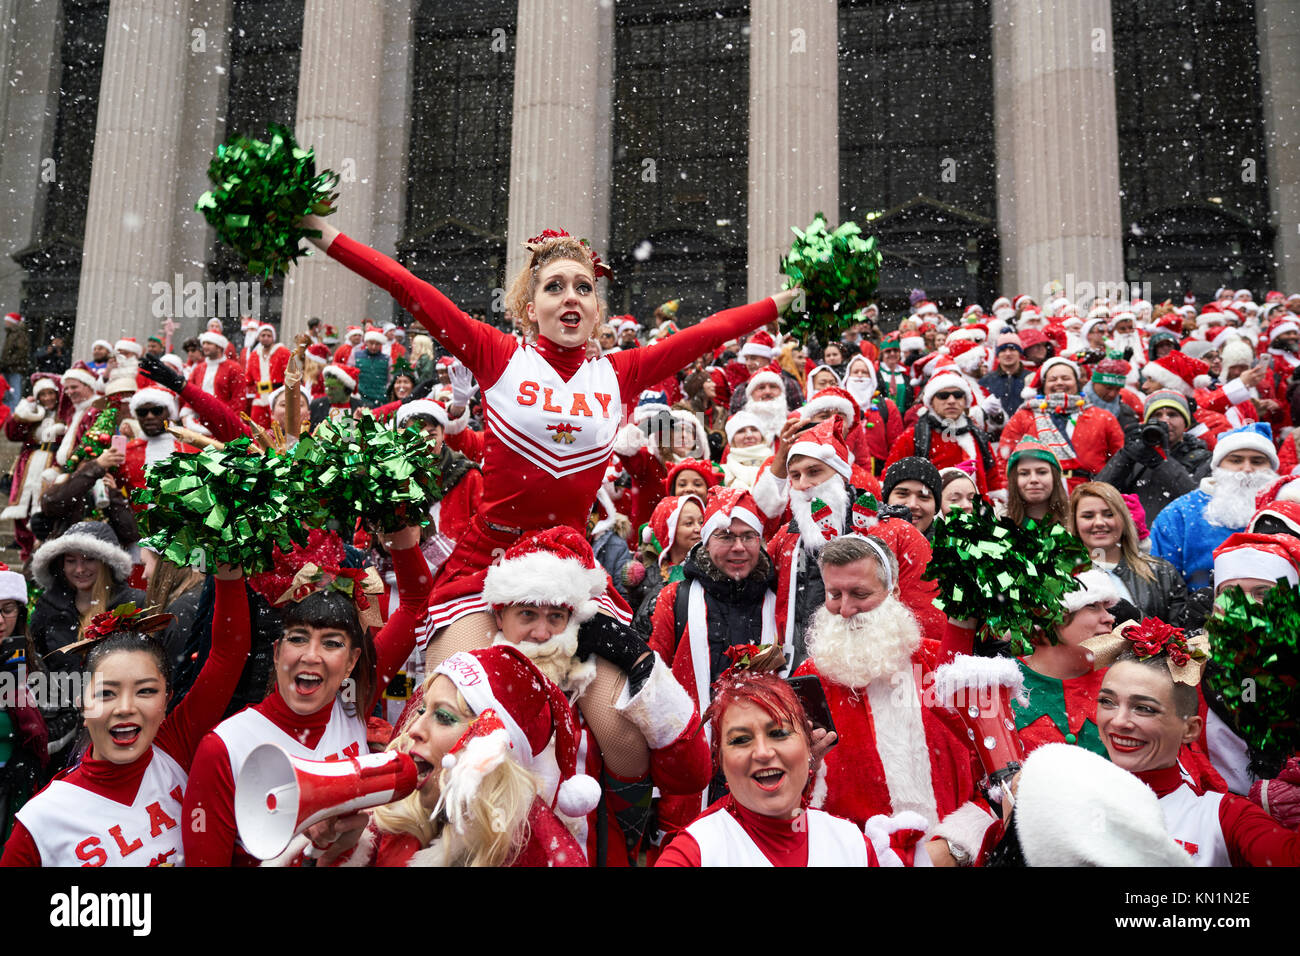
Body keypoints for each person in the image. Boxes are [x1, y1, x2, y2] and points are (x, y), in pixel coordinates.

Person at [296, 213, 794, 777]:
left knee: (627, 750)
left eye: (583, 287)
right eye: (554, 287)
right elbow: (410, 289)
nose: (571, 298)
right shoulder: (497, 354)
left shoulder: (620, 372)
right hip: (487, 563)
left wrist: (784, 300)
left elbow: (709, 332)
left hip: (570, 567)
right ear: (530, 307)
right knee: (453, 721)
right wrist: (329, 237)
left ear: (598, 309)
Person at [182, 521, 431, 866]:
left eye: (331, 643)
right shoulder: (224, 746)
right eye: (298, 638)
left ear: (351, 662)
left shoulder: (352, 702)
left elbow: (415, 603)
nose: (310, 655)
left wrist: (399, 526)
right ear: (276, 651)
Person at [480, 527, 710, 865]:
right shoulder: (473, 685)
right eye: (527, 614)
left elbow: (691, 774)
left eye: (556, 617)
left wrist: (639, 660)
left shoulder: (595, 695)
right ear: (500, 615)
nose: (542, 634)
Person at [1, 593, 249, 866]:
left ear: (166, 701)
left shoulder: (174, 748)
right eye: (107, 693)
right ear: (83, 705)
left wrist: (228, 576)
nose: (125, 707)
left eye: (145, 691)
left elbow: (228, 655)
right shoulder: (41, 821)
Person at [792, 535, 998, 864]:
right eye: (834, 595)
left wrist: (955, 846)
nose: (845, 610)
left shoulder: (942, 665)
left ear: (895, 593)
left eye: (860, 594)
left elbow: (997, 773)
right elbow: (788, 795)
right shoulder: (810, 679)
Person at [294, 646, 587, 867]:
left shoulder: (545, 855)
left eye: (444, 717)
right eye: (422, 711)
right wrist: (334, 854)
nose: (415, 730)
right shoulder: (387, 825)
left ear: (492, 747)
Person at [655, 669, 935, 867]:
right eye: (741, 740)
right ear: (721, 761)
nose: (763, 753)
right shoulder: (695, 853)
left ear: (808, 747)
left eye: (779, 734)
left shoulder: (852, 844)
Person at [1093, 627, 1300, 866]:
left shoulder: (1222, 817)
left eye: (1144, 708)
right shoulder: (1067, 792)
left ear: (1190, 729)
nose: (1118, 721)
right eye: (1107, 701)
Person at [1150, 422, 1279, 589]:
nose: (1247, 469)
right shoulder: (1178, 514)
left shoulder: (1287, 512)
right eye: (1236, 460)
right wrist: (1189, 609)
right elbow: (1163, 584)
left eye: (1257, 461)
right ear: (1218, 466)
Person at [1068, 482, 1187, 624]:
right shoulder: (1058, 575)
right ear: (1075, 523)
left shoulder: (1163, 572)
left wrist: (1138, 619)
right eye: (1088, 516)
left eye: (1109, 514)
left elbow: (1181, 641)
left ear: (1124, 520)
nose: (1099, 522)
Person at [998, 355, 1124, 487]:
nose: (1059, 383)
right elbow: (1005, 458)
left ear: (1077, 383)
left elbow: (1118, 462)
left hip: (1090, 492)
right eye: (1053, 379)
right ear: (1043, 384)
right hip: (1039, 492)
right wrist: (1007, 492)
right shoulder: (1024, 417)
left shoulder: (1104, 418)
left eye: (1066, 378)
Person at [28, 522, 144, 661]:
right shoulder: (47, 606)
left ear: (106, 563)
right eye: (71, 561)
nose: (80, 569)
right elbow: (35, 662)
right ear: (61, 565)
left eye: (89, 559)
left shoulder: (132, 604)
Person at [1095, 389, 1206, 523]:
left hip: (1178, 536)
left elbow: (1197, 499)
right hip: (1134, 538)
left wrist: (1161, 462)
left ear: (1186, 423)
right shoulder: (1137, 455)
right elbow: (1098, 493)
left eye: (1172, 414)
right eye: (1157, 415)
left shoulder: (1203, 458)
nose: (1165, 420)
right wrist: (1125, 455)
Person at [886, 369, 1001, 495]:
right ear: (931, 402)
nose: (951, 400)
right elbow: (890, 481)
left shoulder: (977, 436)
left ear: (965, 401)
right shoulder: (912, 437)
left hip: (977, 511)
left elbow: (994, 480)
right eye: (943, 396)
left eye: (957, 395)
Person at [1, 377, 65, 559]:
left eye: (50, 393)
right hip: (30, 463)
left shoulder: (65, 414)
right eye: (43, 394)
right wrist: (24, 411)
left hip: (52, 462)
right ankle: (25, 545)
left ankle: (43, 543)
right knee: (24, 505)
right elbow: (13, 433)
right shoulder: (34, 414)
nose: (47, 398)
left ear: (57, 394)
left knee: (44, 502)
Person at [633, 493, 703, 635]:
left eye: (701, 522)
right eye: (689, 523)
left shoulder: (710, 571)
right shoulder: (650, 576)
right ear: (668, 532)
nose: (698, 529)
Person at [1004, 437, 1069, 528]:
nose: (1033, 479)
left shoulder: (1076, 525)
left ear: (1055, 478)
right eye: (1024, 473)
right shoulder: (1000, 528)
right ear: (1014, 481)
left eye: (1042, 472)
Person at [881, 456, 942, 538]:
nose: (912, 505)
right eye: (902, 494)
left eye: (923, 496)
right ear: (886, 500)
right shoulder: (865, 542)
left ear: (936, 507)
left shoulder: (954, 548)